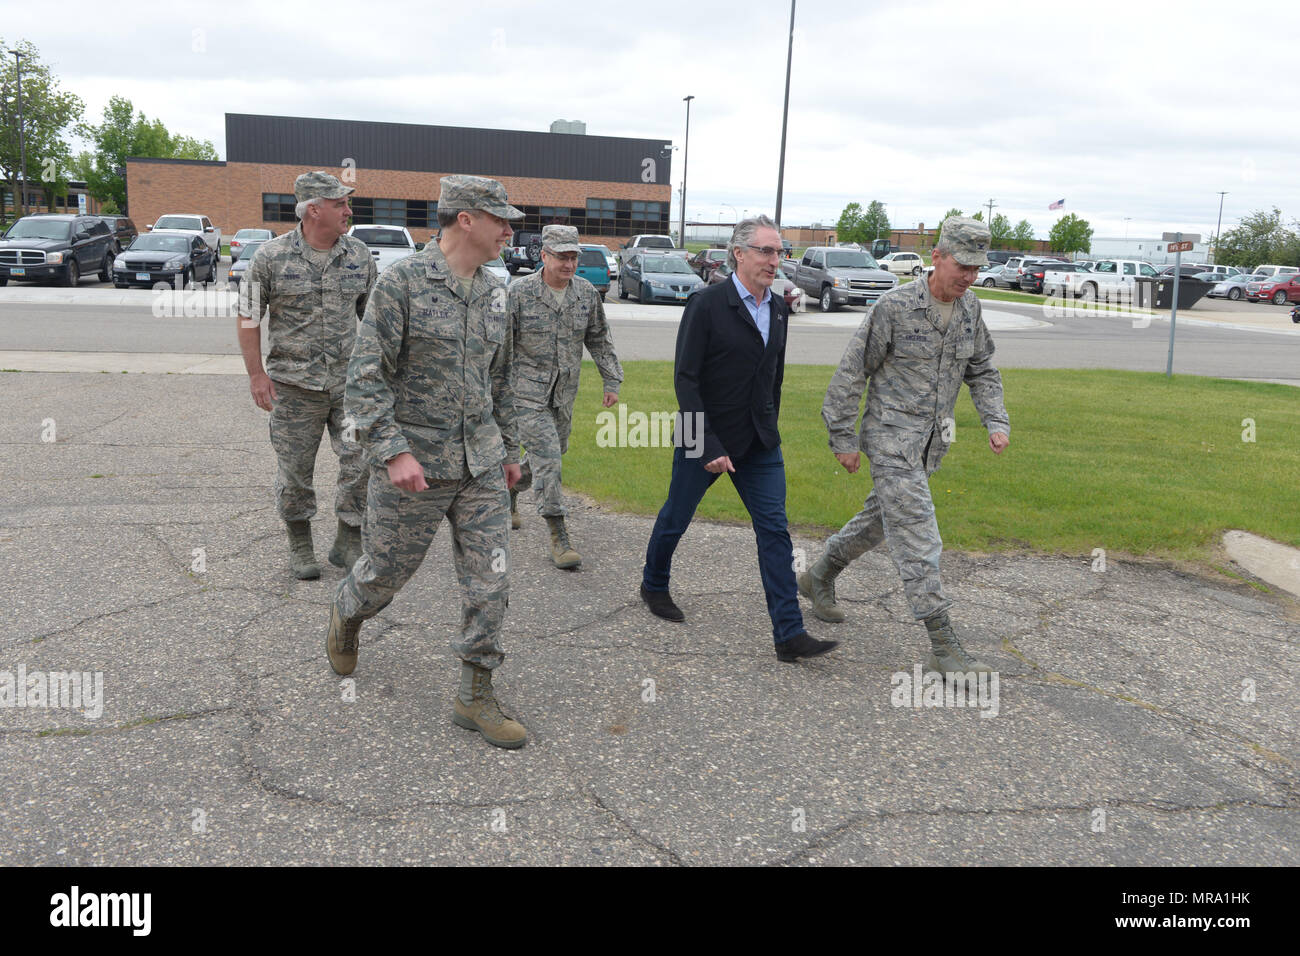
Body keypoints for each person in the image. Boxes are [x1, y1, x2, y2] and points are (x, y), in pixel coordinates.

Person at [326, 175, 527, 750]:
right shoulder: (401, 284)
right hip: (413, 467)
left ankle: (475, 692)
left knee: (491, 581)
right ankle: (348, 611)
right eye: (499, 219)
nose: (508, 230)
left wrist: (508, 452)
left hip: (481, 466)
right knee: (384, 574)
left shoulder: (496, 291)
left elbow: (503, 379)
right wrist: (393, 453)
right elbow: (364, 382)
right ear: (466, 219)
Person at [801, 216, 1011, 675]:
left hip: (931, 445)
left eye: (977, 269)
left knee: (880, 522)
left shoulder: (971, 309)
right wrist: (843, 437)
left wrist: (995, 419)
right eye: (962, 266)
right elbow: (851, 372)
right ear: (936, 257)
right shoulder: (894, 307)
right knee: (919, 532)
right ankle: (943, 646)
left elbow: (983, 369)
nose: (969, 277)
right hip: (890, 440)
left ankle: (818, 575)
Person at [639, 215, 838, 663]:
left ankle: (788, 633)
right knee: (676, 516)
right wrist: (706, 444)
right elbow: (685, 381)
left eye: (779, 251)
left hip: (759, 442)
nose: (775, 259)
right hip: (703, 434)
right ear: (739, 254)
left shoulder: (780, 309)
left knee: (774, 530)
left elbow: (773, 380)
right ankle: (653, 584)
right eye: (766, 251)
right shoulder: (706, 305)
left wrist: (770, 425)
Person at [237, 171, 377, 579]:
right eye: (340, 204)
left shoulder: (359, 256)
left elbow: (372, 321)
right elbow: (248, 317)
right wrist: (256, 375)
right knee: (296, 471)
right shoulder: (270, 257)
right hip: (294, 387)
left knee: (361, 462)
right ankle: (300, 542)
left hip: (349, 386)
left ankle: (348, 540)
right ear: (314, 209)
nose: (348, 211)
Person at [506, 224, 622, 568]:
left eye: (573, 257)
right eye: (562, 257)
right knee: (550, 460)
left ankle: (511, 488)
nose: (569, 264)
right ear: (544, 256)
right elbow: (500, 345)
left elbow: (599, 339)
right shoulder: (519, 292)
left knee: (553, 454)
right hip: (526, 394)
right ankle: (559, 534)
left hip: (564, 394)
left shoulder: (586, 294)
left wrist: (611, 381)